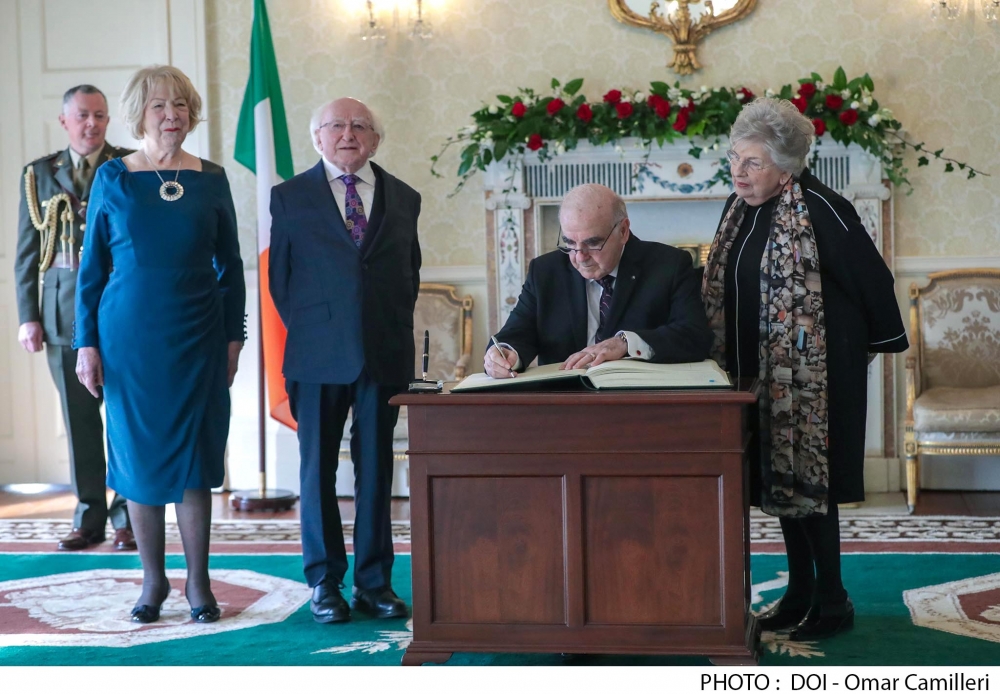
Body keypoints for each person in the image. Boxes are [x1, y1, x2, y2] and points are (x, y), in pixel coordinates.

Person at [701, 98, 908, 641]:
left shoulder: (824, 208)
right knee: (781, 484)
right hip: (755, 372)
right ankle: (798, 593)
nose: (738, 172)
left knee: (812, 487)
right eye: (734, 158)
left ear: (786, 165)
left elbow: (874, 283)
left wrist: (860, 350)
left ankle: (833, 600)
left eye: (753, 163)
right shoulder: (739, 208)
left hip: (816, 378)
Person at [74, 65, 245, 624]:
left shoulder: (211, 178)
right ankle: (153, 582)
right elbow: (91, 268)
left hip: (199, 335)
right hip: (129, 340)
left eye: (180, 105)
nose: (171, 115)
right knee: (138, 460)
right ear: (139, 115)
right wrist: (86, 344)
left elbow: (231, 266)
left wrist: (234, 337)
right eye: (159, 106)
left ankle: (198, 583)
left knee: (196, 459)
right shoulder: (114, 177)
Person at [269, 97, 420, 624]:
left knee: (377, 471)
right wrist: (321, 328)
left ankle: (374, 584)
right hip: (316, 355)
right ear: (318, 137)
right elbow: (281, 281)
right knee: (318, 472)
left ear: (376, 140)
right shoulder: (289, 197)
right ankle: (325, 583)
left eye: (360, 126)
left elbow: (408, 275)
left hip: (384, 352)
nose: (348, 134)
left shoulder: (405, 197)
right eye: (336, 125)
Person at [14, 85, 136, 552]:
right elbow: (28, 254)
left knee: (124, 419)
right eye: (83, 115)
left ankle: (128, 517)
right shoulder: (39, 174)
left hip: (121, 309)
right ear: (65, 121)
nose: (92, 124)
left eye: (100, 115)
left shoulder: (127, 166)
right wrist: (29, 316)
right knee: (79, 419)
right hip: (62, 312)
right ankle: (88, 518)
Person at [484, 183, 712, 379]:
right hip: (563, 402)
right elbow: (516, 333)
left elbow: (695, 336)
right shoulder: (545, 271)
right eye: (570, 243)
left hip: (640, 400)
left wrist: (625, 343)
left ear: (623, 231)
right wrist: (504, 354)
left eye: (593, 243)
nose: (580, 257)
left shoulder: (668, 265)